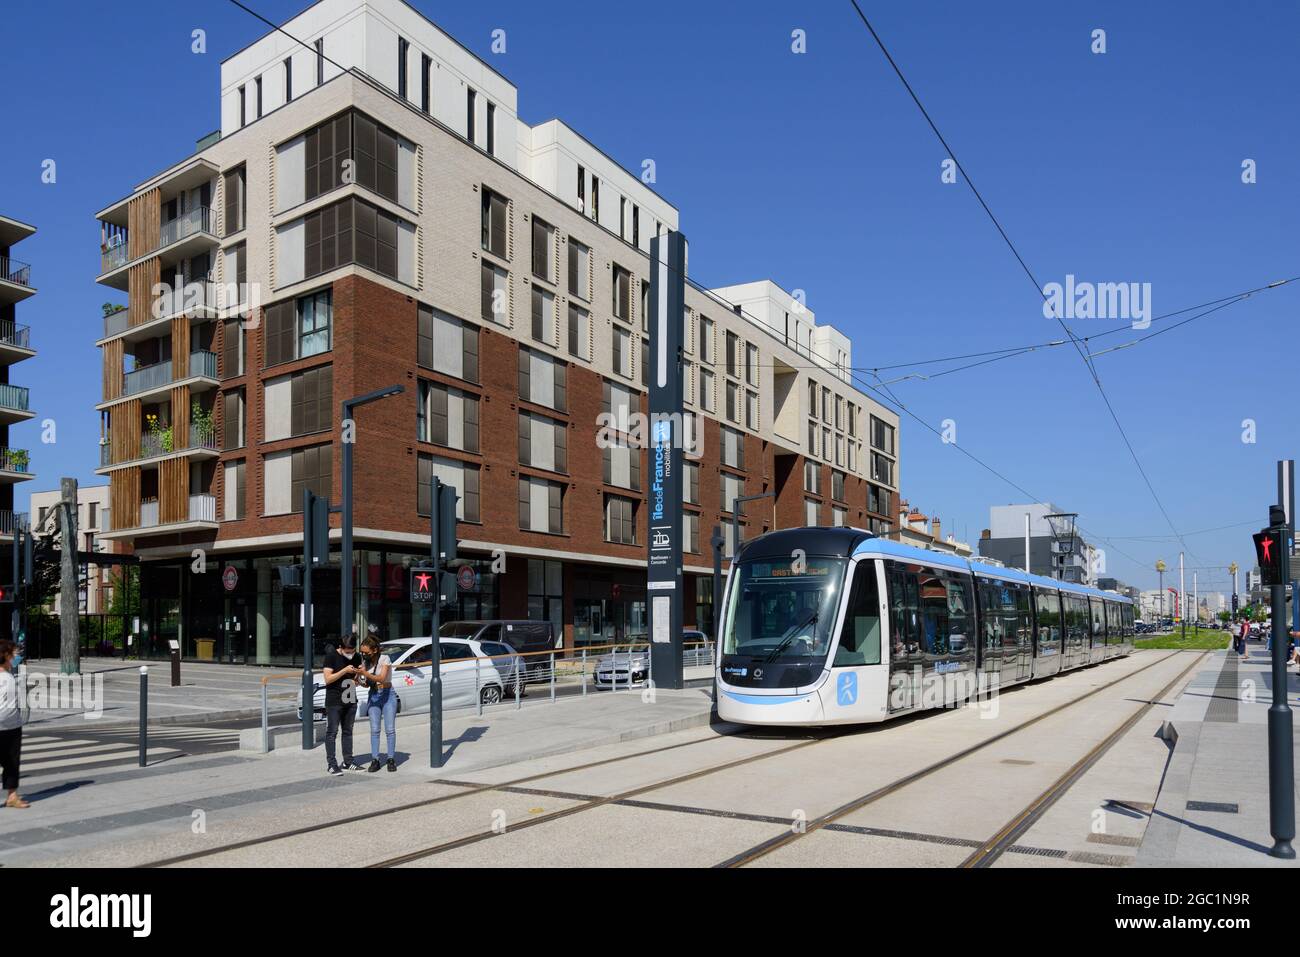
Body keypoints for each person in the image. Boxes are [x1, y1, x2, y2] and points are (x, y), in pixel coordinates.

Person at [356, 627, 397, 772]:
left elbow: (381, 678)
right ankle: (375, 760)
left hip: (387, 694)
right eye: (362, 652)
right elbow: (367, 684)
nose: (363, 654)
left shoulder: (385, 659)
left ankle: (391, 759)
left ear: (374, 650)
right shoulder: (366, 663)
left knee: (390, 729)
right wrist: (359, 679)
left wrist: (364, 672)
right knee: (374, 730)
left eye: (366, 652)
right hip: (373, 695)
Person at [321, 631, 362, 775]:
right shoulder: (332, 656)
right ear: (341, 647)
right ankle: (331, 764)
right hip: (334, 700)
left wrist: (358, 678)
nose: (350, 654)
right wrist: (344, 670)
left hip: (350, 697)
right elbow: (328, 679)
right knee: (332, 732)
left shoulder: (356, 657)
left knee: (348, 731)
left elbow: (357, 679)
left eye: (352, 651)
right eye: (347, 652)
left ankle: (348, 761)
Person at [0, 640, 28, 808]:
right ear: (6, 655)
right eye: (14, 653)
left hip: (13, 725)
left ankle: (12, 796)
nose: (16, 656)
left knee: (12, 761)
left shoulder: (10, 676)